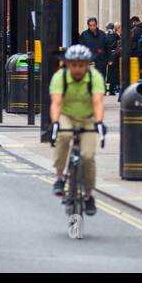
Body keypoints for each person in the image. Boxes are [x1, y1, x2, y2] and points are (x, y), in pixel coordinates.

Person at [49, 44, 107, 215]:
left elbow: (98, 102)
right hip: (66, 115)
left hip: (87, 118)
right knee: (65, 135)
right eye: (73, 64)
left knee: (88, 157)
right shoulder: (60, 77)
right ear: (67, 64)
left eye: (81, 65)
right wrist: (54, 123)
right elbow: (56, 103)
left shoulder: (94, 77)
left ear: (87, 64)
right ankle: (59, 177)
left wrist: (100, 123)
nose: (77, 69)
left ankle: (88, 196)